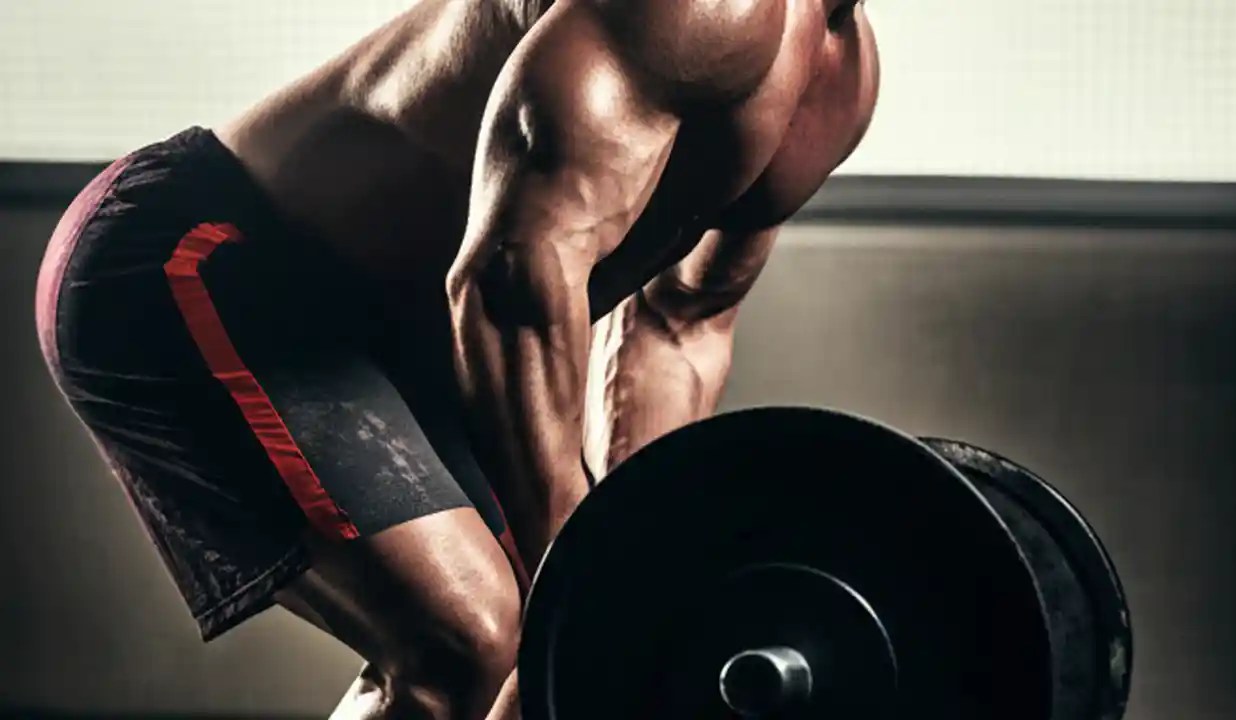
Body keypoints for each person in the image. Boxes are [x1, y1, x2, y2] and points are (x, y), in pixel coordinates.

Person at [34, 0, 880, 716]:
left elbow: (676, 329)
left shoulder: (839, 77)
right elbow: (513, 268)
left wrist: (627, 597)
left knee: (505, 670)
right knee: (470, 636)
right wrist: (587, 584)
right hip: (209, 257)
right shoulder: (693, 12)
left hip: (403, 330)